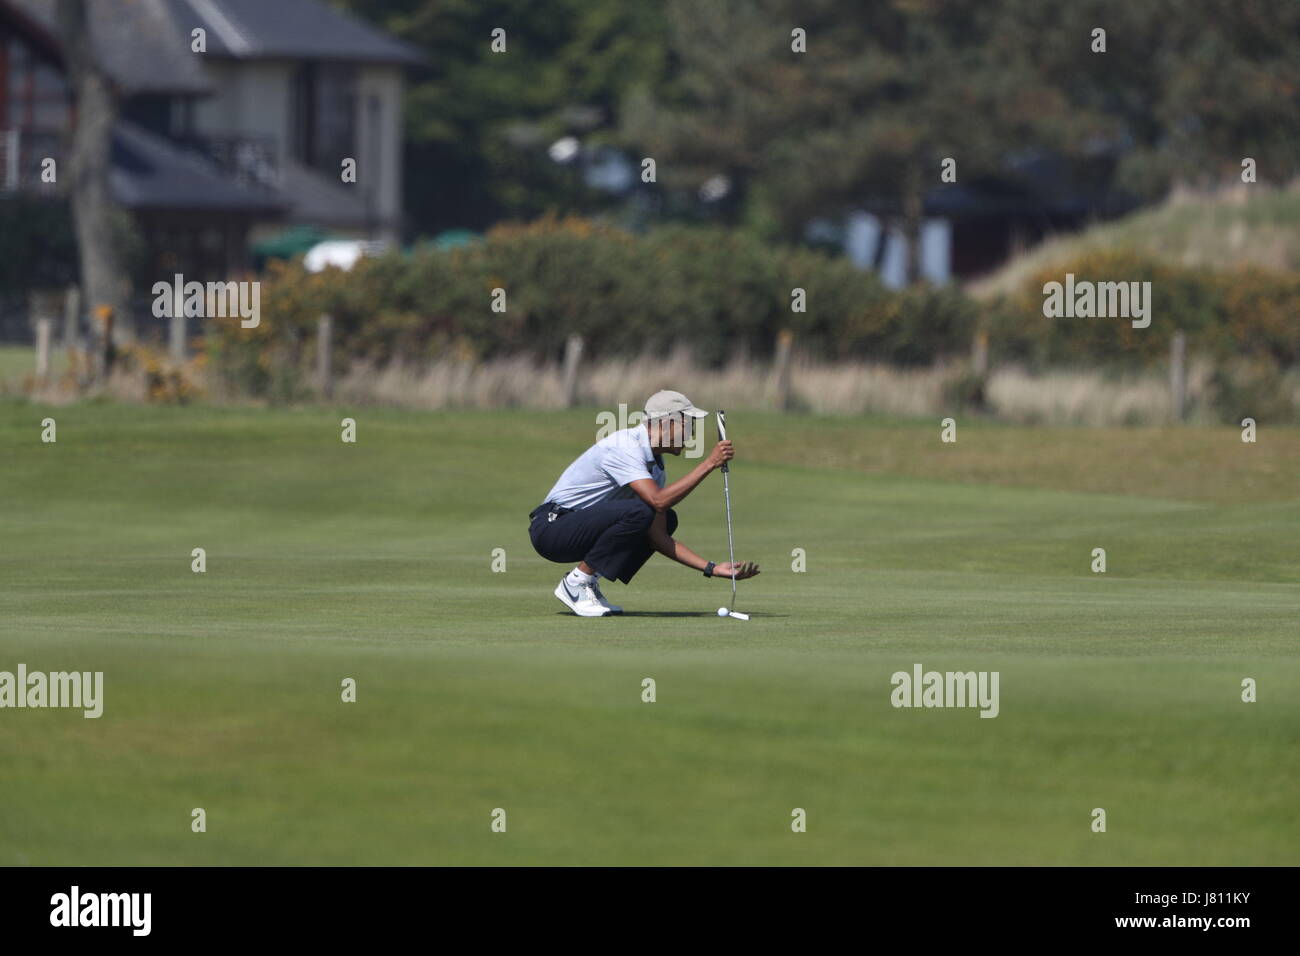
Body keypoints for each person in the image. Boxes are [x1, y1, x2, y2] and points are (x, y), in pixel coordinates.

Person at [529, 390, 760, 617]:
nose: (690, 434)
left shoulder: (656, 469)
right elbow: (657, 500)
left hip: (579, 529)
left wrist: (711, 568)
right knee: (645, 509)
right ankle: (576, 583)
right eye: (686, 425)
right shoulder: (626, 446)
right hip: (552, 528)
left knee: (666, 517)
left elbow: (657, 535)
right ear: (666, 423)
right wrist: (709, 464)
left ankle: (588, 582)